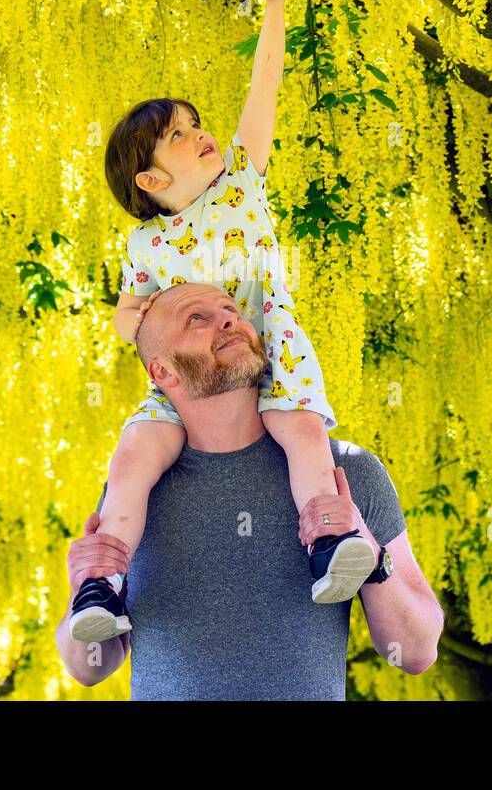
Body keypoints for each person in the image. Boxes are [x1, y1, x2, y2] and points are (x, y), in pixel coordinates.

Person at [71, 0, 378, 642]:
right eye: (177, 136)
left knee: (302, 434)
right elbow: (133, 323)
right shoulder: (143, 247)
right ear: (148, 182)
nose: (199, 133)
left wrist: (276, 8)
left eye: (193, 122)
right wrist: (128, 319)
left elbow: (262, 90)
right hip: (190, 372)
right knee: (134, 455)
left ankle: (328, 541)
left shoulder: (241, 182)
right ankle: (102, 582)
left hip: (270, 343)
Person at [54, 283, 444, 699]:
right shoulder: (134, 492)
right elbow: (89, 668)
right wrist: (82, 588)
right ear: (162, 372)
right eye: (196, 319)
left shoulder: (343, 472)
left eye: (230, 308)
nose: (228, 318)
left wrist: (369, 550)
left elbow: (416, 653)